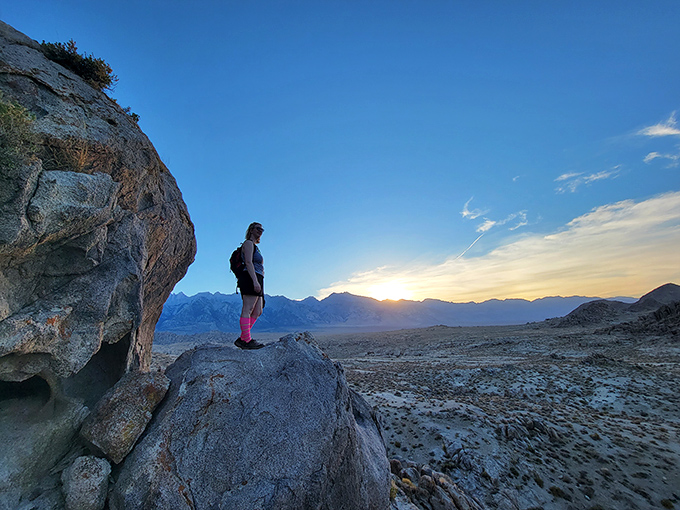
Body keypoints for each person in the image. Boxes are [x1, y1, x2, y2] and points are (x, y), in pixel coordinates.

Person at [234, 222, 266, 349]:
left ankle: (243, 337)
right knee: (247, 308)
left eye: (262, 229)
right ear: (251, 230)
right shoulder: (248, 243)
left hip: (258, 277)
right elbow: (248, 262)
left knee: (258, 310)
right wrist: (254, 281)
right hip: (250, 277)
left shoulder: (255, 247)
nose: (260, 231)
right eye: (258, 228)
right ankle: (246, 340)